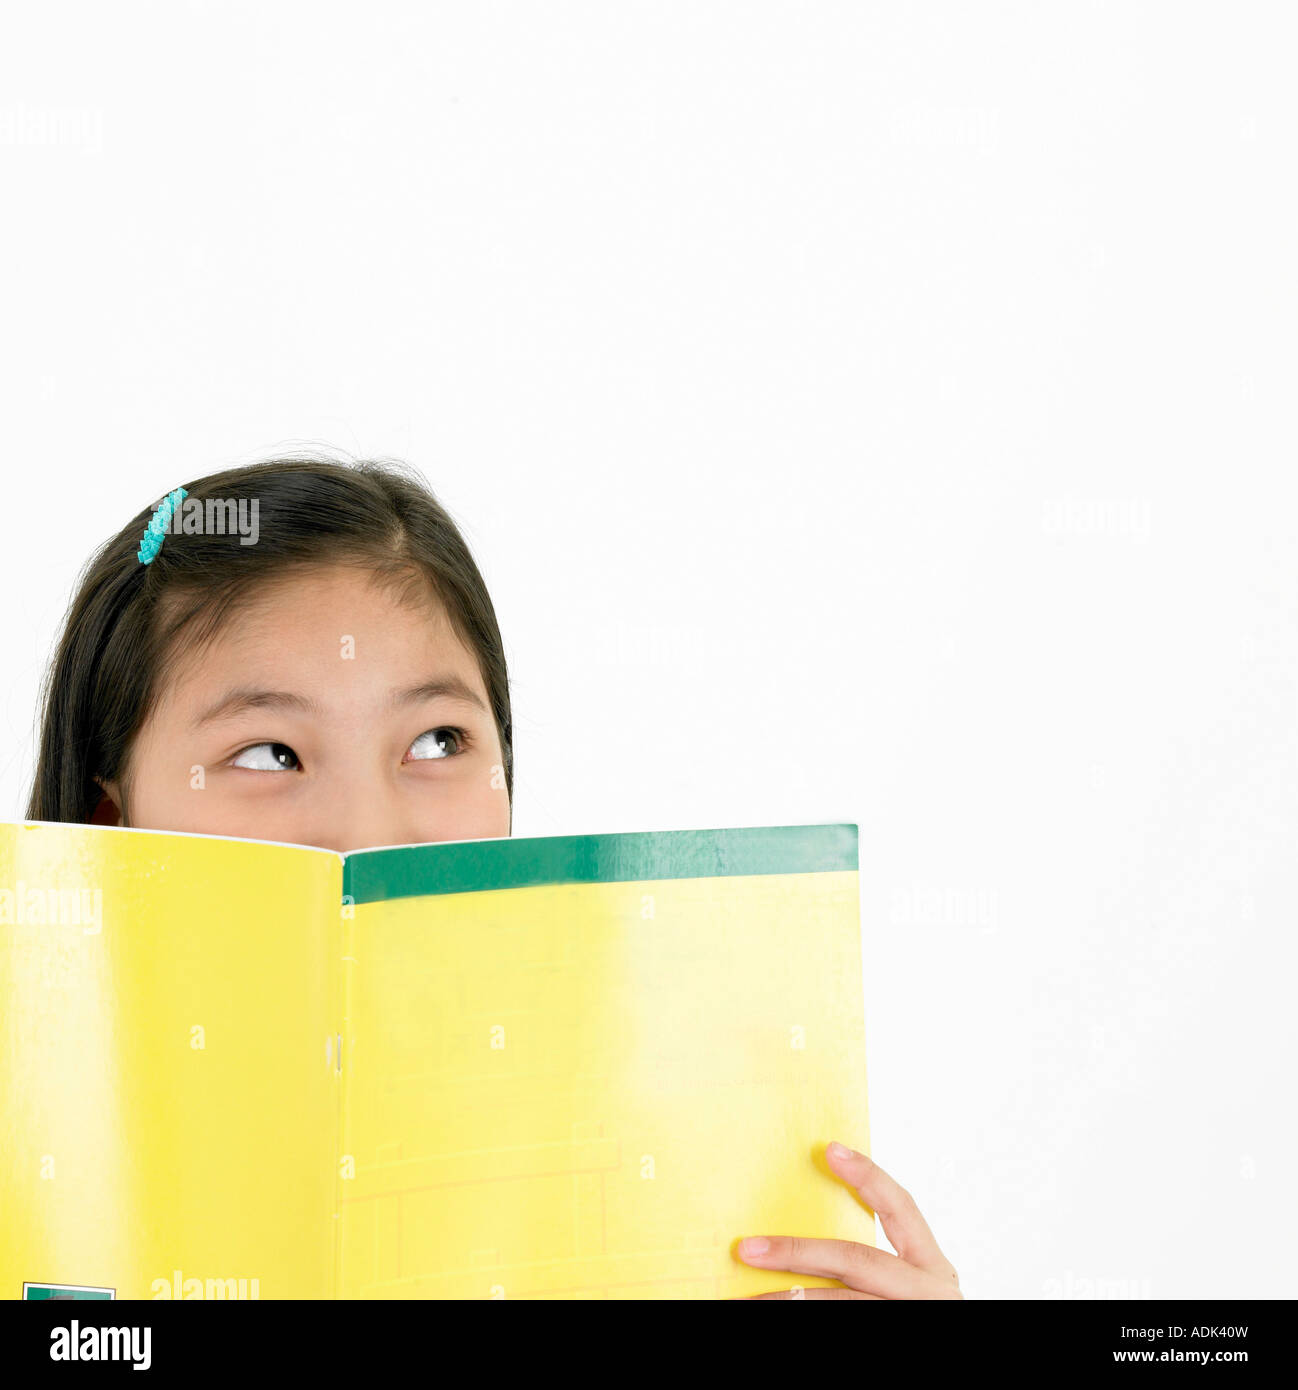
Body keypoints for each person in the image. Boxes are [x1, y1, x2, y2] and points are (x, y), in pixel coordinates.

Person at [26, 453, 962, 1300]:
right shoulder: (43, 1163)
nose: (371, 832)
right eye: (269, 753)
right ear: (110, 819)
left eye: (437, 742)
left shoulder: (687, 1158)